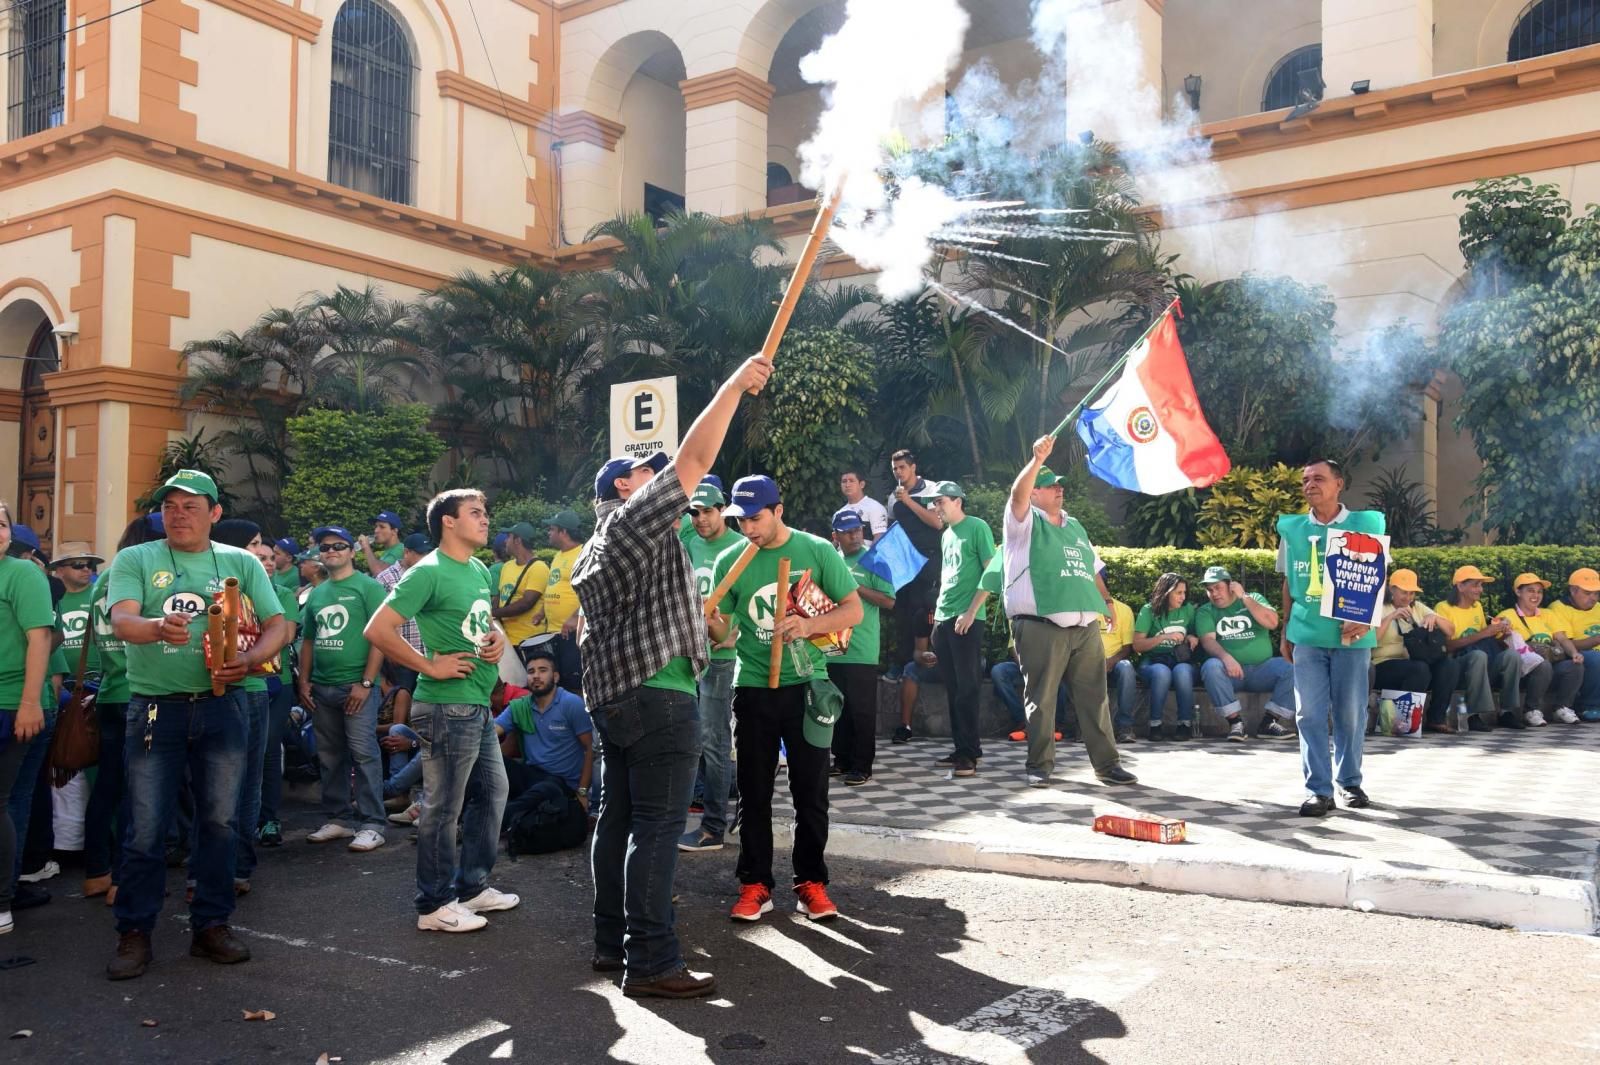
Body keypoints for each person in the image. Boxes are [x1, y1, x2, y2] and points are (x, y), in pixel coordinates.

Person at [571, 354, 770, 1000]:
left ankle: (612, 943)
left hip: (618, 702)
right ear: (623, 492)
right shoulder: (633, 525)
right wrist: (733, 384)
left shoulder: (594, 553)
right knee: (657, 827)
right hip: (661, 699)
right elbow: (694, 460)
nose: (660, 483)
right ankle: (652, 959)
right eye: (642, 476)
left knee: (619, 820)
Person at [104, 469, 288, 979]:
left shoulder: (240, 562)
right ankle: (134, 933)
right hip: (154, 708)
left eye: (190, 505)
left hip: (222, 705)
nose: (178, 514)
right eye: (170, 506)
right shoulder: (136, 558)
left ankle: (211, 924)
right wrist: (155, 627)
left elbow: (279, 626)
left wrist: (250, 661)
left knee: (220, 822)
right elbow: (122, 620)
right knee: (145, 828)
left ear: (214, 513)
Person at [709, 474, 862, 924]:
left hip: (807, 685)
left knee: (810, 793)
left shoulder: (816, 550)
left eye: (756, 519)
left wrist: (808, 626)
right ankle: (755, 883)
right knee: (754, 792)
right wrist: (711, 623)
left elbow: (852, 609)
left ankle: (810, 883)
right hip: (753, 687)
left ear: (778, 511)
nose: (749, 529)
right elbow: (727, 635)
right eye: (740, 521)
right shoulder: (731, 560)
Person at [365, 490, 516, 933]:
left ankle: (472, 887)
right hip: (446, 707)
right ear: (448, 522)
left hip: (474, 703)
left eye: (485, 512)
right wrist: (429, 664)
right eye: (475, 513)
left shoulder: (476, 569)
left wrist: (496, 640)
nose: (485, 520)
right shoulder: (427, 571)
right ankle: (433, 904)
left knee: (492, 793)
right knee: (442, 808)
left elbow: (480, 621)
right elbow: (378, 628)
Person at [1005, 442, 1135, 789]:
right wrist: (1036, 460)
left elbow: (1091, 569)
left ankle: (1108, 766)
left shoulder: (1075, 525)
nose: (1059, 488)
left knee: (1096, 698)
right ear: (1034, 493)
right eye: (1049, 484)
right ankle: (1040, 766)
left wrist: (1105, 602)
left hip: (1084, 627)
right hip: (1040, 625)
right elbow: (1016, 495)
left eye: (1059, 484)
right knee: (1042, 701)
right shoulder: (1023, 522)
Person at [1276, 458, 1385, 818]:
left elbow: (1375, 576)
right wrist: (1285, 629)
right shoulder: (1292, 529)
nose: (1310, 485)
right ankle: (1318, 791)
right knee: (1308, 714)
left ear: (1339, 484)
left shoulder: (1365, 525)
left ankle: (1349, 783)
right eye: (1305, 479)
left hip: (1352, 637)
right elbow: (1287, 581)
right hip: (1306, 635)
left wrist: (1368, 620)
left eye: (1319, 478)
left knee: (1350, 714)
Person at [83, 517, 163, 903]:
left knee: (108, 787)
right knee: (140, 791)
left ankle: (97, 872)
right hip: (140, 694)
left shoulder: (104, 579)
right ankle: (123, 878)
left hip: (110, 692)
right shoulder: (143, 574)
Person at [298, 524, 390, 851]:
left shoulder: (368, 587)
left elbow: (381, 637)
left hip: (357, 686)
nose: (332, 551)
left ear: (352, 551)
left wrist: (366, 683)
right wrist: (303, 680)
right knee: (330, 756)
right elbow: (308, 640)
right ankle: (338, 818)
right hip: (322, 687)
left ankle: (373, 823)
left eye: (339, 545)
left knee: (364, 754)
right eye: (325, 547)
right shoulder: (317, 593)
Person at [209, 519, 283, 893]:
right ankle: (216, 864)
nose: (260, 552)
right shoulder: (219, 585)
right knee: (223, 784)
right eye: (253, 544)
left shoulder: (256, 585)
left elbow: (281, 630)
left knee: (247, 783)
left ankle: (238, 865)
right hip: (214, 691)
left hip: (253, 687)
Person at [679, 482, 745, 852]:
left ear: (723, 509)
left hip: (722, 660)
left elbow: (747, 598)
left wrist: (732, 634)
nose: (701, 518)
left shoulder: (738, 547)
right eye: (695, 512)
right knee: (705, 742)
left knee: (715, 743)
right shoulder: (691, 543)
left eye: (708, 511)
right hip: (694, 657)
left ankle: (713, 828)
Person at [0, 499, 52, 937]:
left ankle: (2, 900)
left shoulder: (21, 574)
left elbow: (40, 638)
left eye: (0, 525)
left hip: (13, 704)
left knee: (4, 802)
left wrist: (30, 703)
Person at [918, 481, 994, 777]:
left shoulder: (977, 527)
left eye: (940, 502)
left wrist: (972, 611)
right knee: (953, 688)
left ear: (957, 501)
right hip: (943, 618)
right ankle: (964, 748)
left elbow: (991, 572)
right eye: (934, 503)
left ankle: (969, 754)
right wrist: (938, 617)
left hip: (968, 618)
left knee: (968, 687)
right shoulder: (947, 534)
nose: (936, 507)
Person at [828, 509, 894, 786]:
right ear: (835, 536)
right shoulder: (831, 560)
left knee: (862, 711)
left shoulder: (875, 560)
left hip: (862, 649)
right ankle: (841, 760)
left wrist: (855, 589)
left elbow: (889, 601)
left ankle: (862, 765)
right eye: (847, 531)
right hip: (832, 648)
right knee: (837, 710)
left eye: (858, 530)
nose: (855, 535)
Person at [1195, 566, 1296, 743]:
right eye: (1209, 590)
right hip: (1229, 674)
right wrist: (1226, 658)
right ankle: (1235, 723)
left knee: (1295, 667)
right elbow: (1208, 641)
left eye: (1218, 587)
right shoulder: (1205, 611)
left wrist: (1244, 597)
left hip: (1262, 670)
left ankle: (1269, 722)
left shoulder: (1253, 599)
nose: (1214, 593)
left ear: (1231, 585)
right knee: (1210, 667)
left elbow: (1272, 623)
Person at [887, 448, 943, 742]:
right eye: (895, 468)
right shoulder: (891, 497)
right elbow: (892, 527)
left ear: (913, 467)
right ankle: (903, 660)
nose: (898, 473)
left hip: (930, 562)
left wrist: (908, 500)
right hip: (903, 564)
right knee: (903, 613)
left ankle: (923, 658)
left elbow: (937, 523)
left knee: (924, 609)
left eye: (903, 468)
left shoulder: (931, 490)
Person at [378, 533, 433, 823]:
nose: (424, 558)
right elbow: (379, 622)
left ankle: (398, 791)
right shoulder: (387, 578)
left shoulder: (430, 573)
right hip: (401, 659)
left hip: (428, 657)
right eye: (420, 553)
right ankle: (401, 792)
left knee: (422, 722)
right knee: (404, 722)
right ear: (407, 553)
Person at [1372, 569, 1462, 735]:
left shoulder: (1417, 607)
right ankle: (1397, 723)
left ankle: (1436, 719)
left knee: (1449, 665)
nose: (1408, 597)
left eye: (1412, 593)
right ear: (1392, 589)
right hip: (1382, 664)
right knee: (1419, 668)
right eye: (1404, 592)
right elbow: (1372, 640)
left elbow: (1451, 631)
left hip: (1415, 663)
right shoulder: (1379, 607)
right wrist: (1391, 616)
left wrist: (1435, 619)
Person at [495, 648, 592, 797]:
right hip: (533, 778)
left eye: (542, 670)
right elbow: (491, 731)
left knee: (525, 804)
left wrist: (583, 792)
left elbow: (590, 749)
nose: (536, 676)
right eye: (531, 671)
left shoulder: (571, 703)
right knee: (494, 765)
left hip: (564, 785)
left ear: (556, 676)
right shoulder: (520, 706)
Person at [1435, 566, 1521, 731]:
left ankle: (1506, 712)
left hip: (1482, 663)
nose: (1480, 590)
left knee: (1512, 656)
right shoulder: (1443, 608)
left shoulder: (1477, 607)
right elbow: (1446, 646)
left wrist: (1502, 633)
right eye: (1476, 585)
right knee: (1478, 656)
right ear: (1460, 587)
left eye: (1481, 585)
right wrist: (1484, 633)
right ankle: (1473, 715)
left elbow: (1486, 640)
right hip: (1458, 666)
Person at [1495, 573, 1584, 726]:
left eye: (1539, 591)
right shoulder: (1507, 615)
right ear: (1518, 592)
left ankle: (1562, 708)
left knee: (1575, 666)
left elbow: (1562, 638)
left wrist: (1574, 653)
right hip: (1525, 669)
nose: (1536, 595)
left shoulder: (1548, 614)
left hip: (1550, 663)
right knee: (1543, 665)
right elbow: (1500, 644)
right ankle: (1531, 710)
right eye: (1530, 590)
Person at [1132, 572, 1199, 740]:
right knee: (1162, 672)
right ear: (1166, 592)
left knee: (1182, 671)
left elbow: (1192, 632)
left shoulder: (1188, 609)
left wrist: (1191, 636)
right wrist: (1163, 637)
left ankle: (1185, 724)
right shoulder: (1149, 611)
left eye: (1184, 592)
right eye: (1178, 593)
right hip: (1153, 661)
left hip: (1180, 659)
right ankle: (1155, 725)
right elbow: (1137, 645)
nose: (1183, 597)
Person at [532, 510, 586, 694]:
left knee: (574, 684)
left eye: (552, 529)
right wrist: (542, 611)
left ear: (563, 532)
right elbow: (552, 586)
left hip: (572, 634)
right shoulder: (558, 556)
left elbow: (591, 591)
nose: (548, 533)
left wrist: (574, 617)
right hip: (553, 633)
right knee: (557, 682)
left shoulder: (583, 554)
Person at [492, 522, 550, 659]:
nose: (505, 541)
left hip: (530, 641)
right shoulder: (507, 566)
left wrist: (492, 613)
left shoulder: (539, 568)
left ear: (518, 541)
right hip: (506, 640)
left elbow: (526, 603)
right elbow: (499, 597)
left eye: (509, 537)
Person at [1553, 568, 1600, 722]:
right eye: (1587, 593)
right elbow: (1566, 643)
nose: (1593, 598)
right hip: (1576, 654)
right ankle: (1590, 706)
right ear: (1573, 591)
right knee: (1595, 658)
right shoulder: (1559, 608)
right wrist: (1597, 639)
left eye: (1596, 593)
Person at [838, 469, 889, 541]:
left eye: (851, 481)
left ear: (862, 484)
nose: (847, 485)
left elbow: (880, 538)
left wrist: (869, 553)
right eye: (844, 481)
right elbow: (837, 541)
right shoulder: (840, 512)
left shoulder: (875, 507)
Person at [360, 509, 406, 577]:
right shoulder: (389, 550)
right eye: (376, 526)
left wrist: (366, 547)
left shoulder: (400, 549)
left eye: (382, 527)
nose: (376, 530)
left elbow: (380, 573)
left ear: (394, 531)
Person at [270, 537, 301, 604]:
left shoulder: (295, 577)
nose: (272, 555)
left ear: (289, 558)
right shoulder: (273, 570)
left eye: (277, 553)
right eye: (273, 551)